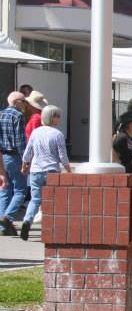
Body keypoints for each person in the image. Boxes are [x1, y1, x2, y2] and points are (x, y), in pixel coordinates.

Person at [20, 105, 70, 241]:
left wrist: (25, 165)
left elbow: (28, 151)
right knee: (52, 200)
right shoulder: (57, 134)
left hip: (35, 170)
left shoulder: (36, 132)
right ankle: (50, 228)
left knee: (35, 199)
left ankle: (27, 221)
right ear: (52, 118)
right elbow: (62, 155)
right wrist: (68, 169)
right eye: (57, 116)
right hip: (51, 170)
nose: (59, 119)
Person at [0, 92, 28, 236]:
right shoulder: (18, 116)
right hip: (14, 156)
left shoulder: (1, 114)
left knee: (5, 189)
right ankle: (7, 217)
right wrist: (26, 160)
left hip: (2, 155)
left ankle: (3, 227)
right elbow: (20, 142)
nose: (25, 104)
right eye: (23, 101)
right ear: (16, 102)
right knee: (21, 189)